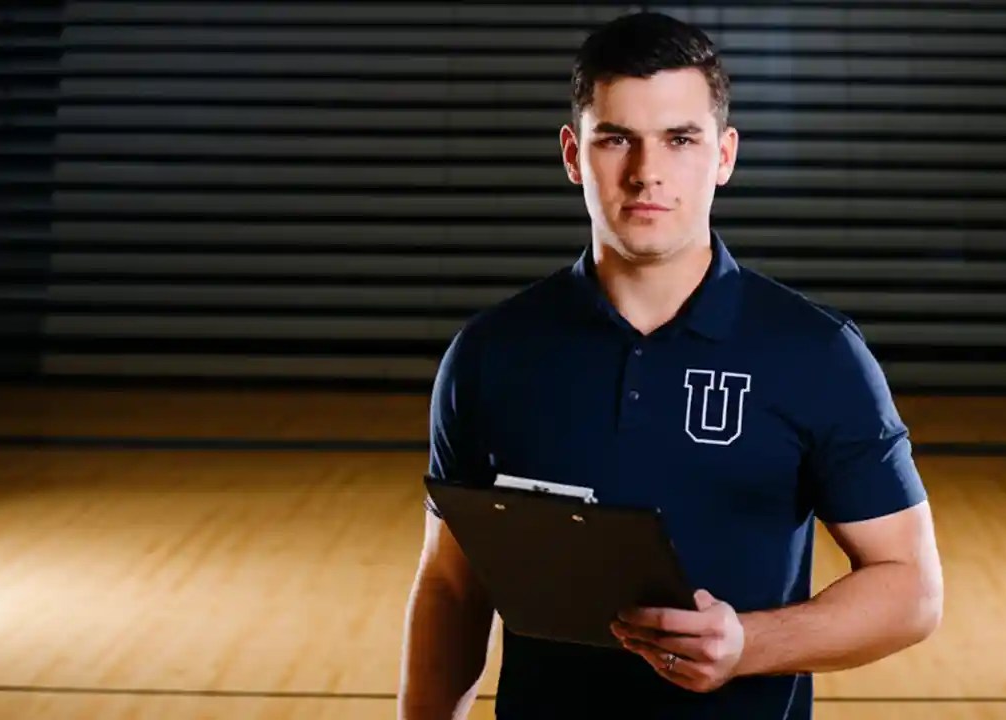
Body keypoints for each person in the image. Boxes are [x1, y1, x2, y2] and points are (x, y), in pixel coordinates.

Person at [398, 11, 943, 720]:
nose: (646, 173)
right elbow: (451, 587)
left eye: (680, 139)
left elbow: (910, 588)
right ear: (573, 154)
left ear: (724, 155)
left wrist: (748, 644)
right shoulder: (491, 353)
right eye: (616, 139)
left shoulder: (816, 352)